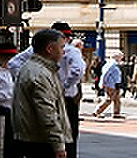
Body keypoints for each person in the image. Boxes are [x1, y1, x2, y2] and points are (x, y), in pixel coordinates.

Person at [9, 23, 85, 158]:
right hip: (42, 142)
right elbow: (47, 113)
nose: (63, 52)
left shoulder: (34, 68)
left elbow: (13, 64)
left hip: (34, 138)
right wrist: (58, 145)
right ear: (50, 49)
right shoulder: (40, 74)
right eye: (62, 48)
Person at [92, 52, 124, 118]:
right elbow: (105, 74)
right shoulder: (111, 64)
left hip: (115, 84)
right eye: (120, 57)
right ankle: (97, 111)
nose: (121, 59)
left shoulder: (114, 64)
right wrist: (102, 83)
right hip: (110, 84)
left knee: (117, 99)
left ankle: (116, 113)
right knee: (108, 99)